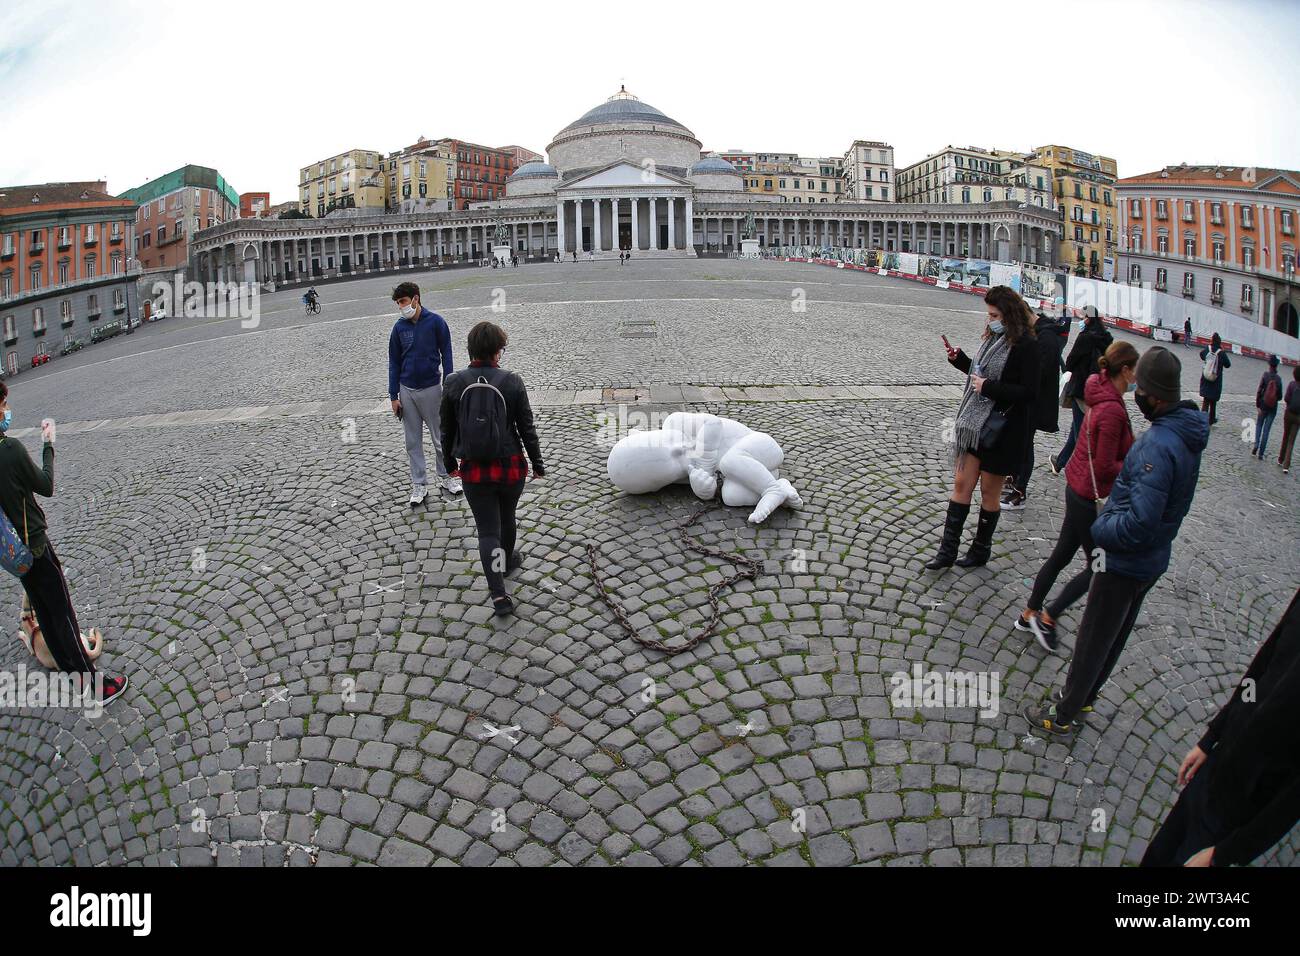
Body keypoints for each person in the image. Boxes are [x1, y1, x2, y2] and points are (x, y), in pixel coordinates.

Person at [1024, 346, 1208, 736]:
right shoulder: (1185, 434)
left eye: (1142, 387)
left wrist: (1102, 528)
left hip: (1124, 560)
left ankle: (1063, 713)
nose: (1137, 393)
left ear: (1154, 394)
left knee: (1094, 639)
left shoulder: (1158, 444)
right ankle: (1086, 698)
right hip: (1151, 559)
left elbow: (1139, 521)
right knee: (1114, 636)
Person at [1142, 589, 1300, 867]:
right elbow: (1264, 662)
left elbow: (1292, 802)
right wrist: (1211, 738)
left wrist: (1225, 854)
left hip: (1240, 809)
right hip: (1215, 766)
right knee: (1156, 855)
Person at [0, 382, 128, 703]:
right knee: (63, 616)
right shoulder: (10, 449)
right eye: (3, 406)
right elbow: (45, 485)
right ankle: (96, 688)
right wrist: (48, 445)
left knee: (44, 615)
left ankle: (77, 682)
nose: (6, 412)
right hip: (36, 548)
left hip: (13, 553)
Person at [1014, 341, 1139, 651]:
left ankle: (1029, 611)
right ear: (1125, 370)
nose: (1138, 377)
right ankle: (1048, 617)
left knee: (1061, 555)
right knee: (1099, 565)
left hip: (1077, 487)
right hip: (1088, 496)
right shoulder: (1111, 409)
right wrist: (1135, 460)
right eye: (1135, 370)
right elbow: (1106, 465)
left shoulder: (1100, 391)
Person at [926, 285, 1040, 570]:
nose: (989, 320)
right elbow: (980, 374)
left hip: (1002, 431)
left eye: (994, 315)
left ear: (1010, 314)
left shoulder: (1027, 345)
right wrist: (960, 360)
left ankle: (981, 550)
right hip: (973, 425)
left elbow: (1028, 392)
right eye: (988, 315)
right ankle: (947, 551)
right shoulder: (992, 338)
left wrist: (988, 387)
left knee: (989, 494)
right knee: (961, 484)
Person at [439, 321, 545, 617]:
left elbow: (445, 429)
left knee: (487, 531)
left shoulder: (454, 382)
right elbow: (526, 427)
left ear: (471, 349)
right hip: (510, 466)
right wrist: (537, 463)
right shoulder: (512, 381)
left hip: (473, 469)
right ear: (498, 351)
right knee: (507, 519)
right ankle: (508, 560)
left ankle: (498, 595)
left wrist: (449, 464)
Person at [388, 282, 461, 506]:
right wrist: (393, 395)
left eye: (403, 301)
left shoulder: (436, 322)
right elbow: (394, 362)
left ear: (416, 299)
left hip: (432, 387)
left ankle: (446, 476)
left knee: (440, 437)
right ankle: (419, 484)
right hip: (407, 388)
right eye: (398, 303)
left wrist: (448, 384)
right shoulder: (399, 328)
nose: (401, 307)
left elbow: (446, 354)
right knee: (413, 441)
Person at [1003, 309, 1066, 510]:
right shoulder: (1037, 333)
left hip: (1034, 403)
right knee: (1019, 443)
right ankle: (1014, 477)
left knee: (1025, 446)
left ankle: (1020, 491)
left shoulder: (1046, 337)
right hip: (1026, 400)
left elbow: (1041, 373)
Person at [1050, 306, 1112, 474]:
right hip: (1098, 389)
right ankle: (1060, 462)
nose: (1081, 321)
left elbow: (1070, 363)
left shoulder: (1085, 338)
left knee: (1080, 433)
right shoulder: (1107, 338)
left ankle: (1084, 470)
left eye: (1083, 317)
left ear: (1088, 319)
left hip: (1082, 388)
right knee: (1076, 428)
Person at [1252, 354, 1284, 461]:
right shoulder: (1279, 379)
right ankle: (1261, 453)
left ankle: (1256, 444)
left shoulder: (1265, 375)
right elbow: (1280, 397)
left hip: (1263, 405)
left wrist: (1258, 404)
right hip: (1272, 408)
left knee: (1259, 425)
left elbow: (1259, 390)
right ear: (1276, 366)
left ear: (1269, 365)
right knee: (1266, 430)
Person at [1278, 365, 1300, 474]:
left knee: (1285, 436)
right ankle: (1286, 465)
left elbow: (1286, 398)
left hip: (1289, 413)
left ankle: (1280, 459)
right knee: (1292, 441)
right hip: (1298, 417)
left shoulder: (1292, 384)